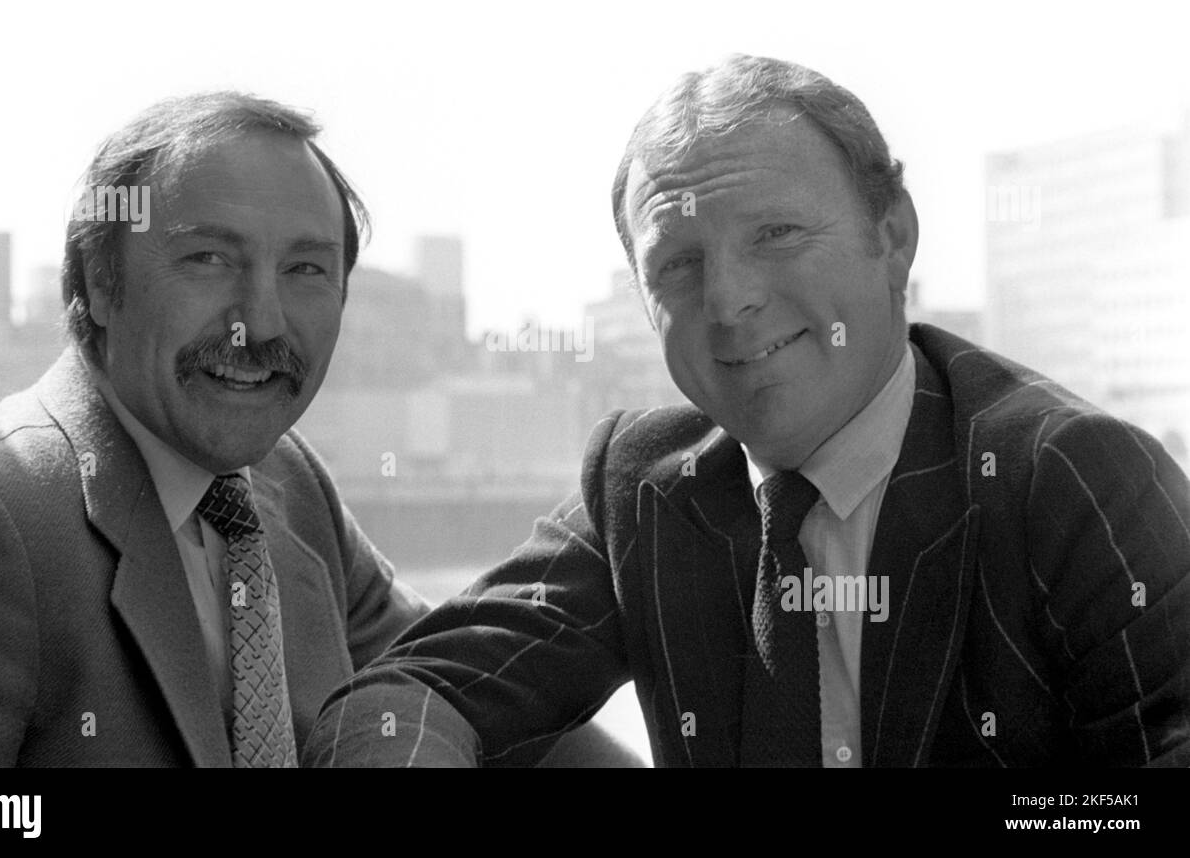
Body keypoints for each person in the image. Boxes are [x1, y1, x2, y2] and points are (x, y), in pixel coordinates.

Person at [306, 55, 1190, 768]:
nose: (728, 302)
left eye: (776, 235)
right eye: (679, 265)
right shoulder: (644, 486)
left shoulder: (1070, 474)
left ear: (895, 238)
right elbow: (415, 693)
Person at [0, 92, 639, 767]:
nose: (264, 322)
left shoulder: (283, 482)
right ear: (98, 282)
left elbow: (463, 686)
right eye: (209, 259)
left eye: (306, 270)